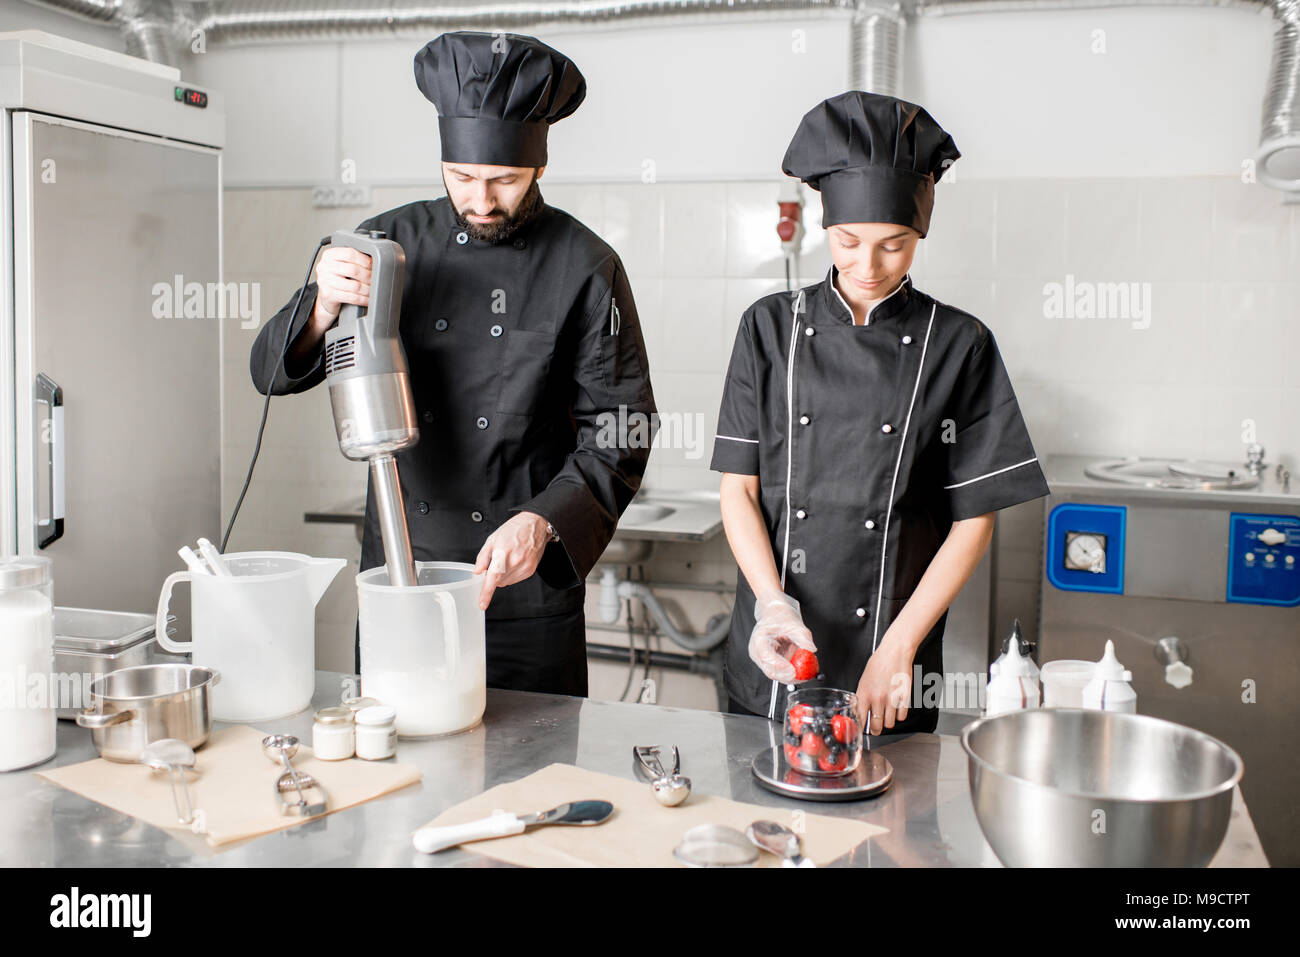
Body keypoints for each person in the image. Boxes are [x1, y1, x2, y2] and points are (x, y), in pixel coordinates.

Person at [250, 32, 655, 697]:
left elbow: (623, 429)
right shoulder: (386, 246)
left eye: (504, 180)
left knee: (538, 786)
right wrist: (319, 304)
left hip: (525, 597)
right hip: (403, 584)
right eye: (462, 177)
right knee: (400, 781)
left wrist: (546, 519)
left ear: (539, 167)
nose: (482, 199)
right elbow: (268, 372)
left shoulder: (585, 267)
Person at [711, 91, 1049, 735]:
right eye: (847, 241)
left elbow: (973, 523)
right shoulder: (768, 327)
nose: (867, 266)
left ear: (921, 230)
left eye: (894, 245)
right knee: (760, 819)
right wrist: (773, 606)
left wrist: (900, 648)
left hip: (895, 650)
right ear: (824, 227)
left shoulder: (959, 342)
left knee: (887, 828)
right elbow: (738, 491)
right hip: (776, 648)